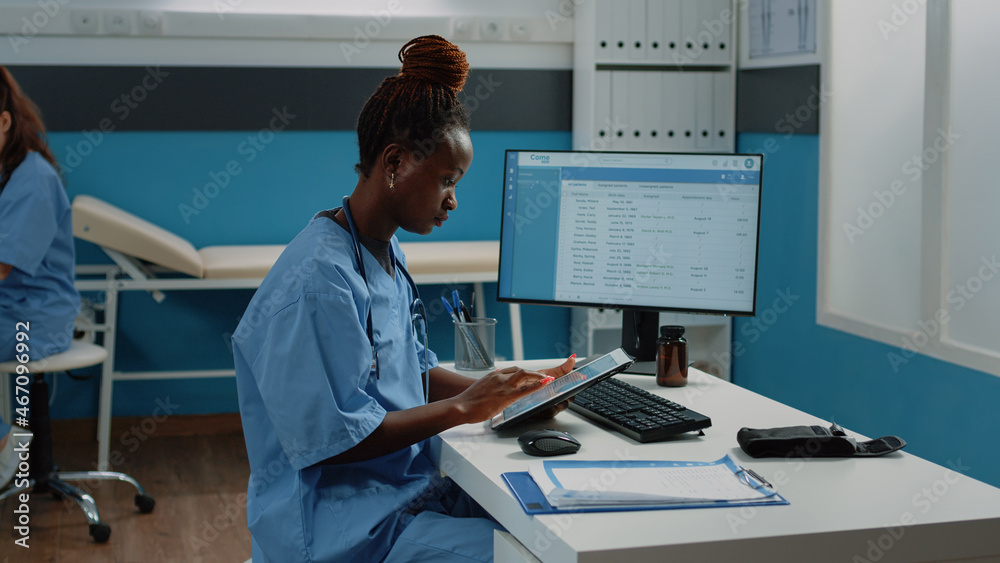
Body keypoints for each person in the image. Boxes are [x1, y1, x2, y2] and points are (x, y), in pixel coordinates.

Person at [233, 36, 574, 562]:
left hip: (404, 495)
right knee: (534, 557)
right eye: (446, 180)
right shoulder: (317, 281)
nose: (453, 201)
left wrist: (517, 392)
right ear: (394, 164)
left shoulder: (383, 252)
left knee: (555, 521)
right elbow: (339, 438)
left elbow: (407, 373)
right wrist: (465, 407)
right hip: (344, 531)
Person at [0, 66, 80, 486]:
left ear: (5, 121)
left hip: (35, 317)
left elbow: (2, 266)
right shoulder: (6, 170)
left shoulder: (31, 179)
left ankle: (6, 447)